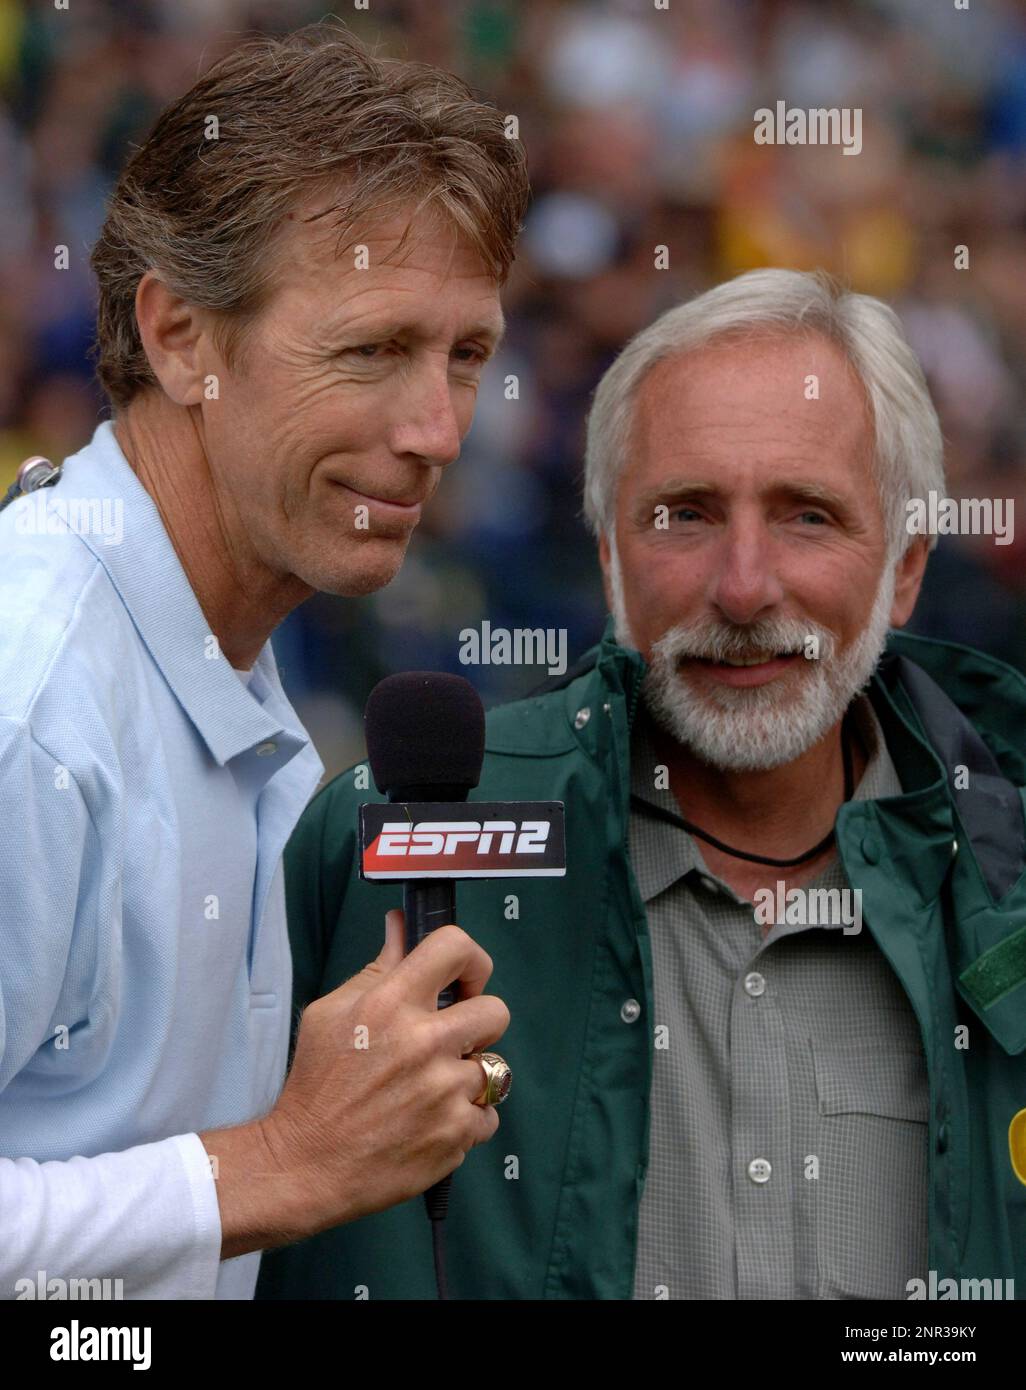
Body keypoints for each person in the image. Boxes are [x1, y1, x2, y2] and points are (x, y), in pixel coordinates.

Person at [259, 268, 1026, 1300]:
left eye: (808, 516)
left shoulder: (1003, 895)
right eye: (686, 514)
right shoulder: (390, 846)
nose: (745, 586)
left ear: (904, 567)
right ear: (611, 561)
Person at [0, 22, 527, 1300]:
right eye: (371, 349)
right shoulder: (34, 701)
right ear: (180, 337)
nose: (436, 430)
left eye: (467, 357)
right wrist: (287, 1160)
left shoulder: (224, 643)